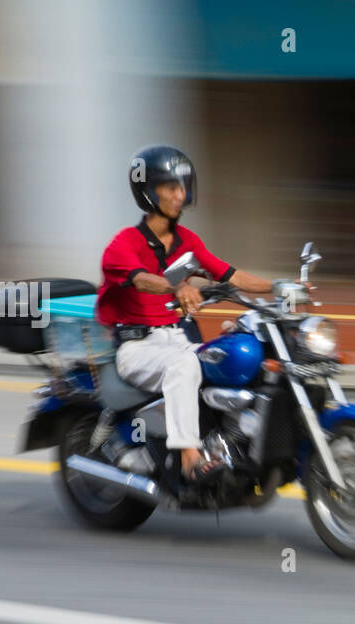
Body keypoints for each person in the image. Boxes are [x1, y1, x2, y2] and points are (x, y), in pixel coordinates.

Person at [95, 144, 281, 484]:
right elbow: (144, 280)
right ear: (148, 191)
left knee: (232, 351)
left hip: (180, 339)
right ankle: (189, 457)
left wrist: (282, 286)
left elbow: (233, 275)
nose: (180, 194)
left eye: (183, 185)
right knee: (184, 366)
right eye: (171, 187)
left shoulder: (188, 242)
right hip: (139, 348)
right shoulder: (123, 244)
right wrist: (176, 287)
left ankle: (234, 444)